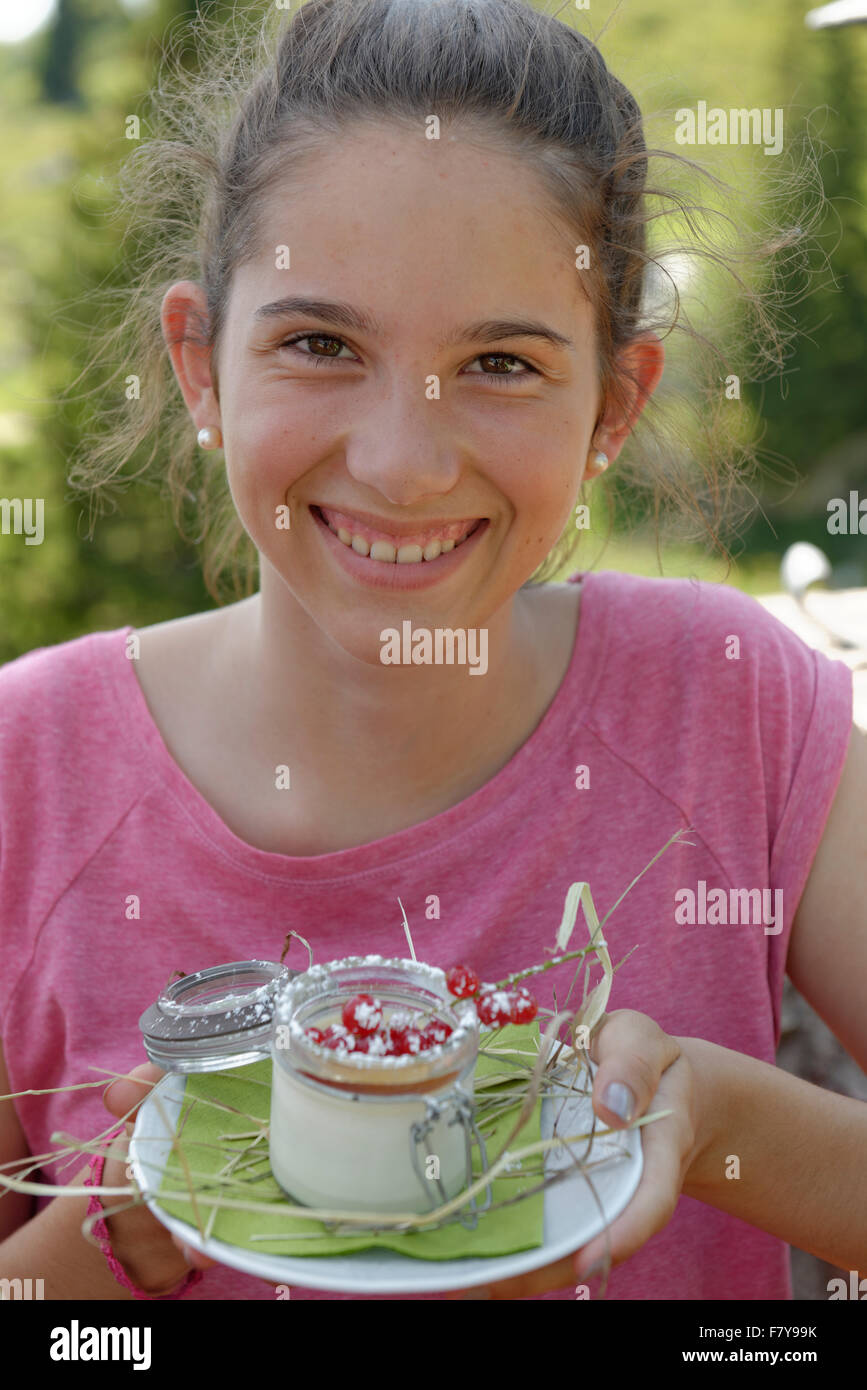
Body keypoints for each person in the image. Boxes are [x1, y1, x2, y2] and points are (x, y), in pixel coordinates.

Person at [1, 0, 865, 1302]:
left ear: (613, 405)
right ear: (199, 367)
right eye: (319, 344)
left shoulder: (736, 709)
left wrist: (725, 1131)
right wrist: (113, 1242)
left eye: (502, 363)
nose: (403, 464)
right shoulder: (30, 770)